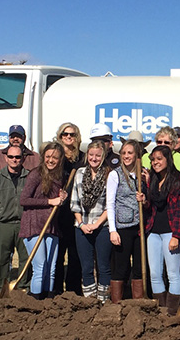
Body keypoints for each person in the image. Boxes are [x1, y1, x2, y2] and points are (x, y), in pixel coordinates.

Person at [141, 144, 180, 313]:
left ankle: (171, 312)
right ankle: (160, 310)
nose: (155, 162)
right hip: (153, 232)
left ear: (168, 160)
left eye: (159, 159)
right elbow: (150, 208)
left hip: (171, 232)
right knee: (154, 273)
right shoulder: (152, 180)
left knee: (173, 273)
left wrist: (176, 235)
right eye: (153, 159)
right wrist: (145, 200)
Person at [18, 142, 68, 299]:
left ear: (60, 160)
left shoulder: (60, 177)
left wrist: (62, 199)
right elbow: (24, 200)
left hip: (51, 226)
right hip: (34, 226)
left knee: (51, 268)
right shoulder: (36, 174)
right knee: (40, 267)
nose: (51, 160)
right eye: (48, 156)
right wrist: (50, 202)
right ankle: (36, 300)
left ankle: (49, 301)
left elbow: (57, 201)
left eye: (55, 157)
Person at [0, 143, 32, 291]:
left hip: (24, 224)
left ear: (22, 158)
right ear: (6, 158)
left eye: (17, 157)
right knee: (2, 258)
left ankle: (23, 286)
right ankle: (1, 288)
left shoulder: (30, 177)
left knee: (25, 257)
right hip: (4, 224)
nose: (14, 160)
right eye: (11, 157)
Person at [107, 139, 147, 302]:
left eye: (130, 153)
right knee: (121, 267)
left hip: (140, 227)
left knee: (139, 267)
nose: (126, 156)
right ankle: (117, 303)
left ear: (137, 155)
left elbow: (150, 200)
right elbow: (110, 203)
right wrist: (112, 230)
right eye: (123, 153)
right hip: (122, 227)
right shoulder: (114, 175)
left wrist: (144, 199)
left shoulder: (143, 174)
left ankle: (138, 302)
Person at [71, 141, 112, 302]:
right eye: (91, 155)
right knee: (86, 267)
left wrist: (96, 224)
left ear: (103, 157)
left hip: (102, 226)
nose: (94, 158)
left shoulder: (109, 174)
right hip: (82, 226)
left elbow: (110, 204)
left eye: (98, 155)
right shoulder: (79, 173)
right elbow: (74, 203)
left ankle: (103, 301)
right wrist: (81, 224)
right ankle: (90, 301)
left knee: (103, 267)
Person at [53, 122, 83, 295]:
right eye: (65, 134)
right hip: (58, 213)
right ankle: (56, 291)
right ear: (60, 136)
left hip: (77, 212)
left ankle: (73, 291)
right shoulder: (55, 157)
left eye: (72, 134)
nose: (68, 137)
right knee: (57, 255)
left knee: (75, 255)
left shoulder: (82, 158)